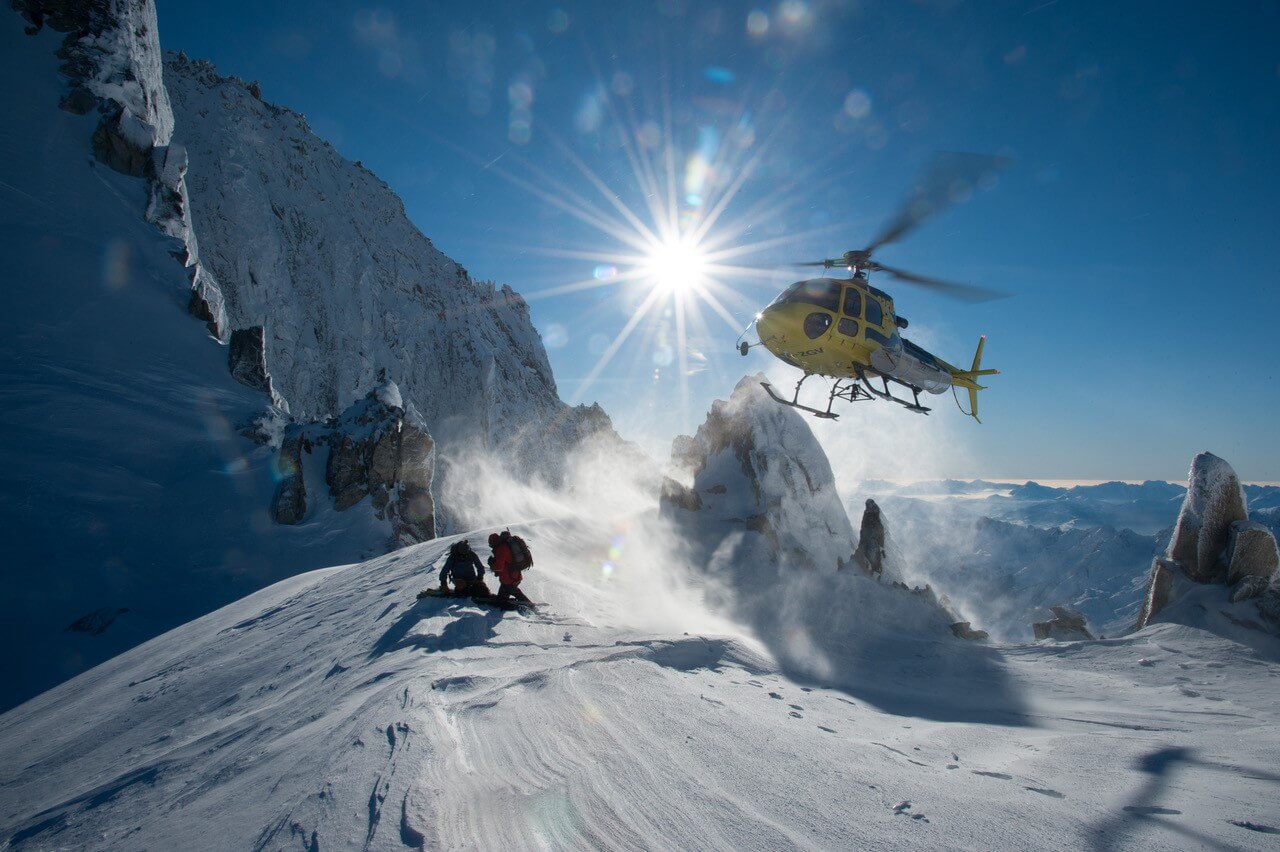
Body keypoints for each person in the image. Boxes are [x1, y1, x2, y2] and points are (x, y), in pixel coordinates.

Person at [488, 532, 532, 605]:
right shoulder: (505, 546)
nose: (491, 546)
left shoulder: (501, 549)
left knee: (514, 595)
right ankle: (509, 602)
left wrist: (492, 564)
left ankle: (531, 606)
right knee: (502, 598)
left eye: (491, 544)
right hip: (514, 576)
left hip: (509, 579)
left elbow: (499, 567)